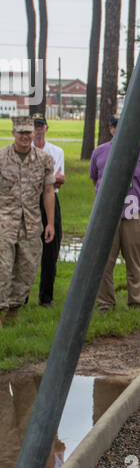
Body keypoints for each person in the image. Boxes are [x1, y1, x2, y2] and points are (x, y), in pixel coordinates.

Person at [90, 115, 140, 311]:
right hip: (108, 216)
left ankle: (136, 302)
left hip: (133, 214)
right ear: (111, 129)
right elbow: (95, 179)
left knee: (134, 261)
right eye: (116, 126)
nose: (120, 129)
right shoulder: (99, 152)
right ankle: (105, 304)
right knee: (104, 262)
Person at [0, 115, 55, 327]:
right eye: (21, 132)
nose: (25, 137)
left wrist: (50, 223)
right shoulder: (2, 157)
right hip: (4, 222)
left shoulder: (44, 160)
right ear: (13, 133)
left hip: (31, 224)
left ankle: (12, 314)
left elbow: (48, 191)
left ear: (34, 133)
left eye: (28, 132)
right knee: (3, 269)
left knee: (27, 270)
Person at [31, 112, 65, 307]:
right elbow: (52, 177)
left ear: (46, 128)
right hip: (30, 201)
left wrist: (44, 177)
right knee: (26, 248)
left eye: (40, 125)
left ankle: (46, 297)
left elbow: (61, 179)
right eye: (35, 126)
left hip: (52, 200)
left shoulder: (56, 151)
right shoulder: (27, 150)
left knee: (51, 249)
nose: (38, 130)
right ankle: (21, 296)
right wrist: (49, 176)